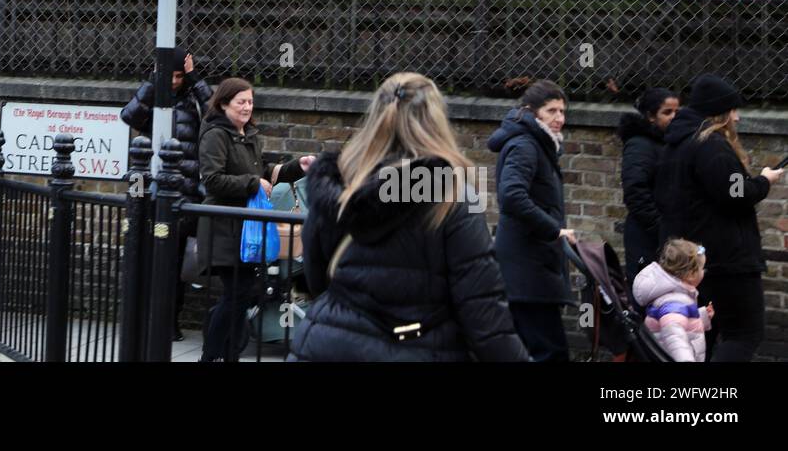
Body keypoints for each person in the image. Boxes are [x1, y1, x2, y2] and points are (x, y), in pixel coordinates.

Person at [290, 73, 528, 361]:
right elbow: (482, 310)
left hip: (326, 344)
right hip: (418, 346)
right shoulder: (453, 194)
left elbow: (316, 276)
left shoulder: (339, 182)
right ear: (436, 120)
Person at [654, 73, 783, 361]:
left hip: (693, 260)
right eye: (732, 110)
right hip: (726, 262)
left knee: (704, 335)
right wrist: (764, 181)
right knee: (744, 333)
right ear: (720, 113)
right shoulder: (710, 146)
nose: (736, 118)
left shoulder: (676, 145)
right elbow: (735, 193)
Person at [196, 77, 314, 361]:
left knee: (243, 294)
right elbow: (212, 180)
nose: (247, 107)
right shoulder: (215, 134)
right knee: (238, 293)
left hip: (246, 230)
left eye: (250, 102)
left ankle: (226, 355)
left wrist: (297, 167)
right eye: (241, 102)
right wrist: (252, 183)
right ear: (224, 104)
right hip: (224, 226)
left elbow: (265, 174)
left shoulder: (248, 135)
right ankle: (210, 356)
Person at [120, 45, 212, 340]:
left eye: (177, 76)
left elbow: (216, 115)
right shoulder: (154, 99)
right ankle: (143, 319)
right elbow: (130, 116)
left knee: (175, 265)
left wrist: (194, 78)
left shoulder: (192, 100)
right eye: (168, 76)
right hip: (151, 192)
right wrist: (153, 81)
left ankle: (169, 321)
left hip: (184, 194)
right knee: (147, 259)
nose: (174, 82)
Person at [487, 79, 576, 361]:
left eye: (562, 111)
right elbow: (512, 196)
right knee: (549, 352)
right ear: (531, 111)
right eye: (551, 111)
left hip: (532, 267)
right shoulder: (526, 145)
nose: (559, 118)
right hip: (526, 268)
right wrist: (555, 231)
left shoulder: (539, 145)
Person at [619, 87, 679, 285]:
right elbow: (635, 190)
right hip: (647, 236)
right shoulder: (640, 145)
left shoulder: (669, 143)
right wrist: (660, 228)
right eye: (667, 112)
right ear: (651, 116)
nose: (674, 117)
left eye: (677, 112)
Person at [632, 238, 713, 363]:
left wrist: (702, 315)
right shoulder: (674, 303)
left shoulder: (674, 296)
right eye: (702, 269)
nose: (704, 272)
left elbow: (682, 322)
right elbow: (674, 337)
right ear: (691, 275)